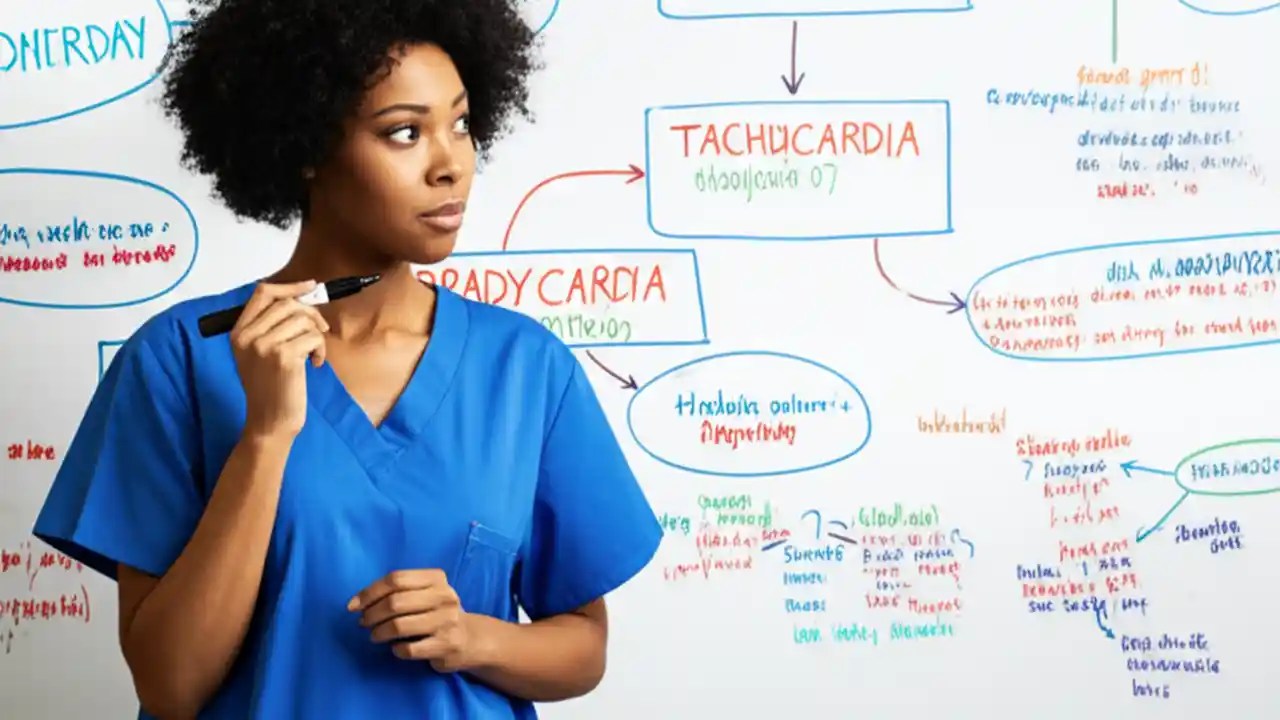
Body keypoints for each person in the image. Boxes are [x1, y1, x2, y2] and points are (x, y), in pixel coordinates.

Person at [31, 0, 664, 717]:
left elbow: (583, 650)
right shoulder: (178, 361)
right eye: (404, 133)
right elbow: (169, 687)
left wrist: (474, 638)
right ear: (305, 146)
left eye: (460, 124)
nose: (450, 165)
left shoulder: (528, 371)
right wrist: (265, 438)